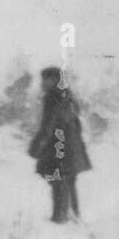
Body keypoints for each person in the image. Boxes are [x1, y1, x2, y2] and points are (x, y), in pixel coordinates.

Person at [28, 66, 91, 223]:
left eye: (45, 79)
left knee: (58, 182)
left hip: (58, 150)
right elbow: (77, 126)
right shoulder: (69, 98)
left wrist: (35, 147)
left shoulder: (52, 98)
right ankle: (74, 216)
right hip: (71, 150)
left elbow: (47, 127)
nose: (42, 83)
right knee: (69, 181)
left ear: (55, 80)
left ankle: (60, 219)